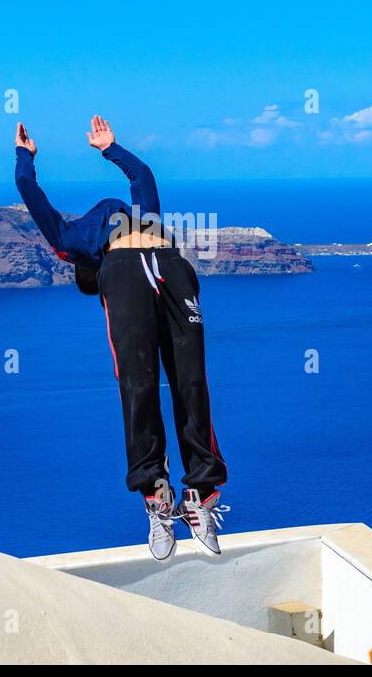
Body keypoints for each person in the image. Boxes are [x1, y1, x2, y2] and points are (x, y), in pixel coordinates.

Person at [14, 116, 228, 560]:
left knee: (191, 380)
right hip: (127, 275)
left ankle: (201, 496)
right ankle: (156, 495)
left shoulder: (146, 219)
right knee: (138, 384)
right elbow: (33, 200)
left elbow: (142, 177)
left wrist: (109, 147)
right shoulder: (75, 242)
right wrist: (24, 159)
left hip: (169, 265)